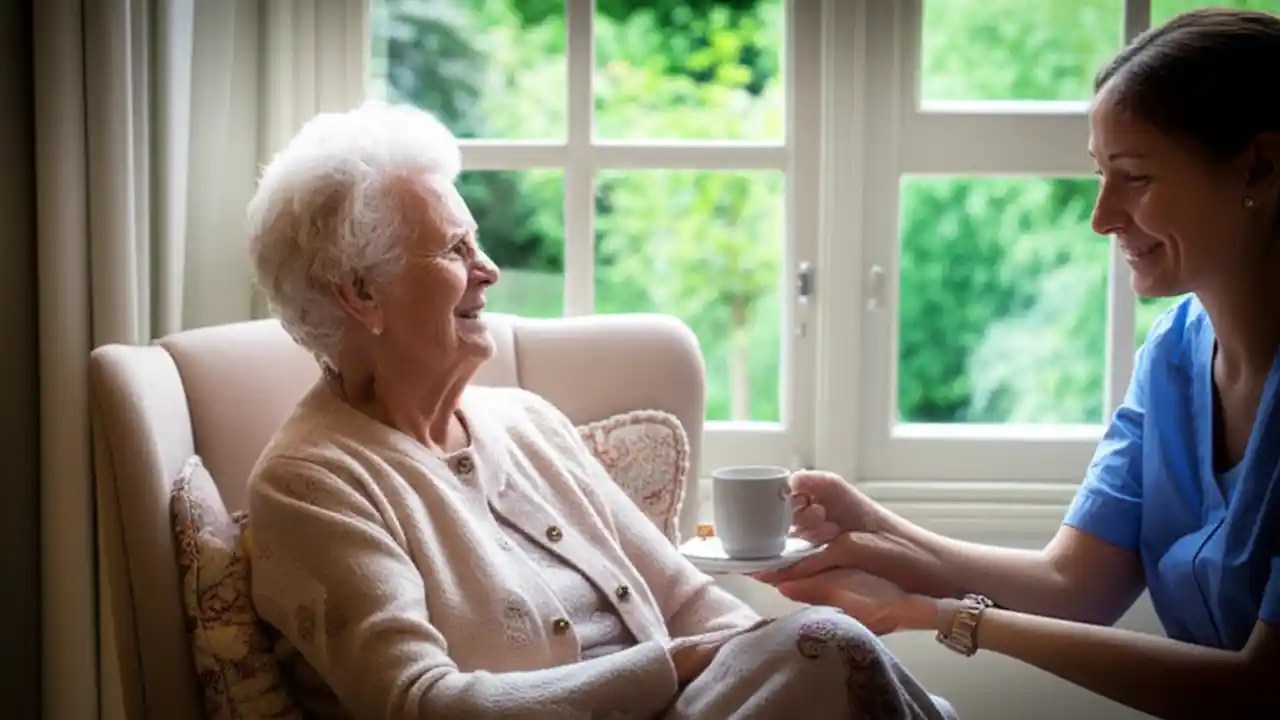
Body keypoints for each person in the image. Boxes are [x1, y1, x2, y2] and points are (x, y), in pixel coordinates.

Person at [243, 100, 956, 719]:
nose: (489, 270)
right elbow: (416, 703)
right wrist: (673, 667)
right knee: (832, 649)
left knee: (833, 658)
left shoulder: (526, 422)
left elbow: (687, 604)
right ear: (361, 295)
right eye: (457, 249)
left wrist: (775, 662)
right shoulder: (313, 482)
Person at [756, 7, 1280, 719]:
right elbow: (1074, 586)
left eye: (1134, 178)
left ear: (1260, 166)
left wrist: (930, 613)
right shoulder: (1173, 356)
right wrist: (874, 530)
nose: (1100, 216)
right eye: (1101, 175)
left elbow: (1260, 686)